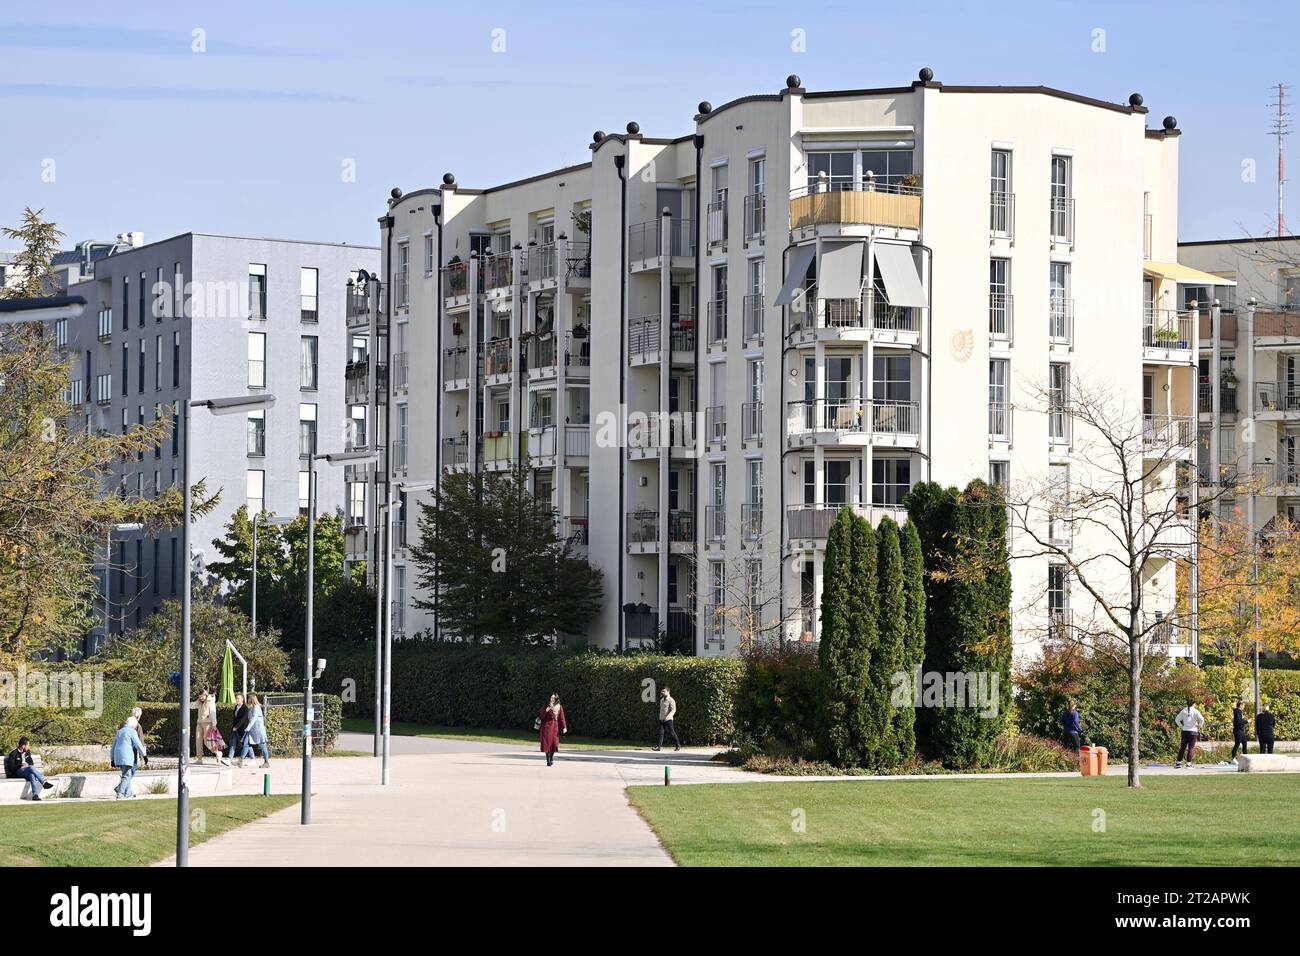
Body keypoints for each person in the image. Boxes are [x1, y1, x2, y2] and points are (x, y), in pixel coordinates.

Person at [110, 716, 148, 800]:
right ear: (133, 725)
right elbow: (138, 744)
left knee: (127, 774)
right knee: (126, 775)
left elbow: (113, 746)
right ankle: (120, 793)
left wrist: (112, 759)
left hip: (118, 756)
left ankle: (128, 793)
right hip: (126, 756)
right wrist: (144, 756)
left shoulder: (119, 732)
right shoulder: (132, 732)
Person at [538, 692, 567, 767]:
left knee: (555, 744)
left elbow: (562, 718)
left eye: (553, 698)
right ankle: (548, 760)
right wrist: (546, 710)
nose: (552, 699)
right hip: (547, 727)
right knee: (547, 744)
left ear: (556, 699)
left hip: (555, 727)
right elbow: (541, 716)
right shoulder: (546, 705)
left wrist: (564, 727)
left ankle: (551, 757)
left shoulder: (559, 707)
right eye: (551, 698)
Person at [1174, 698, 1206, 767]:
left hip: (1185, 731)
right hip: (1193, 731)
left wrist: (1181, 726)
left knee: (1182, 747)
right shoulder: (1195, 711)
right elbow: (1202, 719)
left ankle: (1178, 762)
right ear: (1193, 704)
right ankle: (1188, 764)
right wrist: (1199, 726)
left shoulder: (1184, 710)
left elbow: (1177, 720)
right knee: (1191, 748)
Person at [243, 694, 270, 768]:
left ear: (251, 699)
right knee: (247, 743)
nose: (247, 700)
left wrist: (248, 728)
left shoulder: (257, 708)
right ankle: (250, 759)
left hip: (259, 730)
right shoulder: (252, 708)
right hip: (253, 730)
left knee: (263, 745)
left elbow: (254, 719)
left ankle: (266, 762)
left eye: (248, 699)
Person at [653, 685, 680, 752]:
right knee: (660, 733)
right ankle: (658, 747)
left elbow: (674, 710)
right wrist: (660, 717)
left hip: (668, 720)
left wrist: (669, 716)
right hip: (662, 719)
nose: (662, 692)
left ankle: (678, 745)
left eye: (664, 691)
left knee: (672, 733)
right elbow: (661, 710)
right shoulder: (661, 700)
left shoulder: (671, 700)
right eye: (662, 691)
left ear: (668, 691)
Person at [195, 689, 219, 764]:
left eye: (202, 696)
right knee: (198, 740)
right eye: (199, 697)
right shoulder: (199, 702)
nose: (201, 698)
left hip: (208, 723)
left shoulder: (210, 701)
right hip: (199, 723)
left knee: (207, 741)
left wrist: (214, 724)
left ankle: (217, 752)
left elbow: (213, 713)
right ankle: (199, 759)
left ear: (205, 695)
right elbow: (193, 705)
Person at [228, 692, 251, 763]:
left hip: (243, 729)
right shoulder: (236, 707)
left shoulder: (245, 708)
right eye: (236, 698)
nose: (237, 700)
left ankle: (253, 758)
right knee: (233, 743)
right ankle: (229, 759)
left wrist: (236, 727)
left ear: (242, 699)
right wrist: (234, 727)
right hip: (236, 729)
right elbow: (235, 718)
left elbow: (243, 719)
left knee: (247, 745)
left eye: (238, 698)